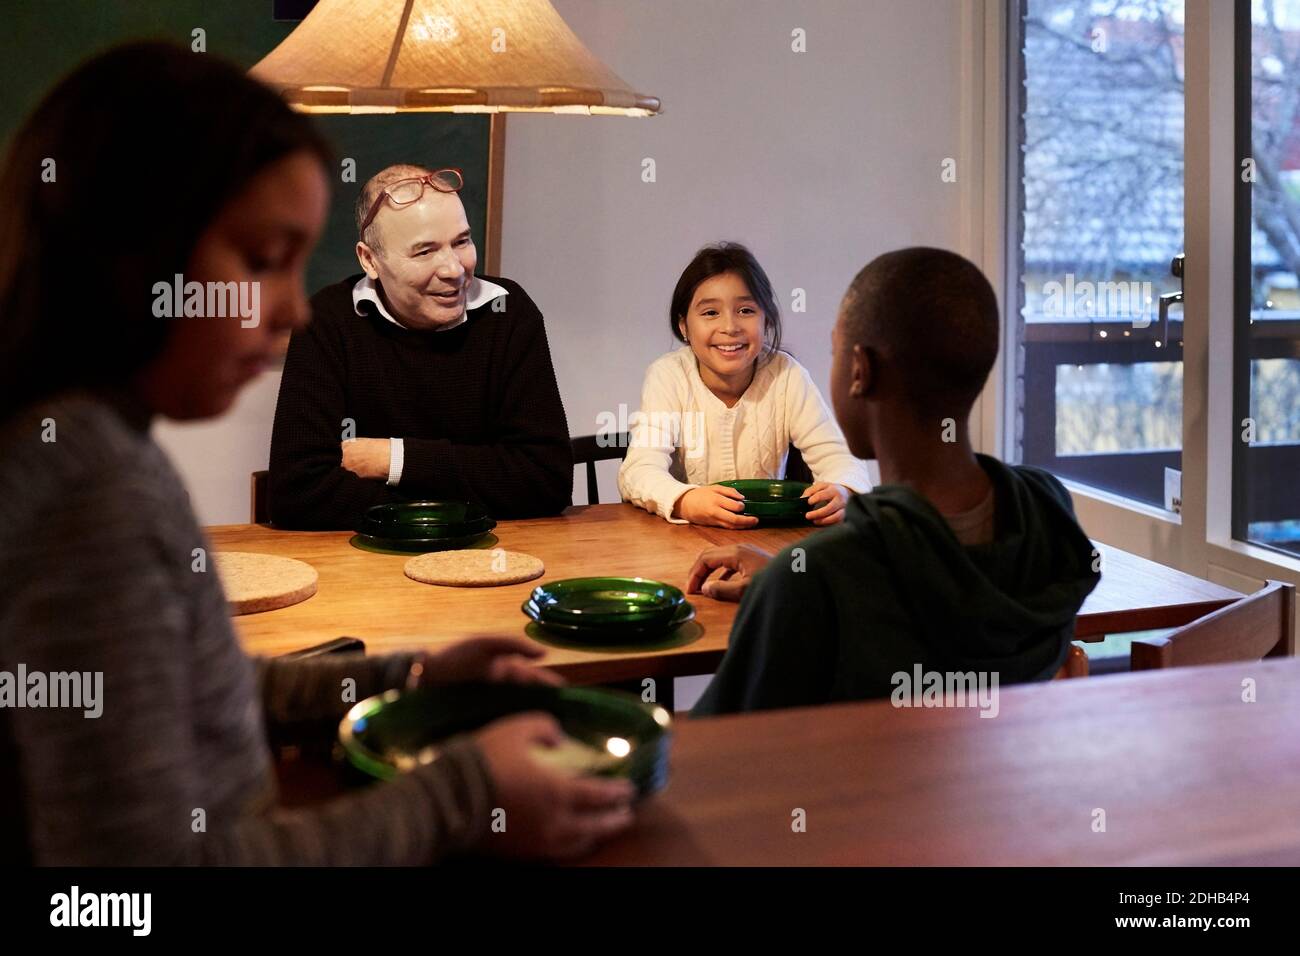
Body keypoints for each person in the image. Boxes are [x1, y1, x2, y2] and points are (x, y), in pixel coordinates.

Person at [0, 41, 631, 865]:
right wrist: (467, 793)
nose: (297, 309)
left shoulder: (86, 447)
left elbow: (196, 688)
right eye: (264, 260)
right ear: (137, 251)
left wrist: (408, 681)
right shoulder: (86, 495)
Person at [686, 247, 1101, 715]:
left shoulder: (818, 582)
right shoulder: (1045, 513)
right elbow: (931, 586)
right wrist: (790, 577)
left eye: (835, 351)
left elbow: (714, 748)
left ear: (861, 371)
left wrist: (791, 586)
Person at [268, 162, 572, 530]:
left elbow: (546, 481)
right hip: (364, 568)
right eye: (425, 251)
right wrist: (468, 492)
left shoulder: (508, 311)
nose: (454, 269)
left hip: (492, 561)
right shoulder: (327, 321)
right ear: (370, 260)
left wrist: (392, 459)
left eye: (461, 241)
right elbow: (297, 494)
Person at [617, 242, 871, 528]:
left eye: (746, 310)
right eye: (710, 313)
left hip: (768, 543)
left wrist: (843, 490)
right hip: (690, 541)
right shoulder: (669, 376)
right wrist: (686, 501)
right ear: (684, 327)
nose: (730, 327)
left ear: (767, 320)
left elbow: (839, 458)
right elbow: (638, 470)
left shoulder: (786, 375)